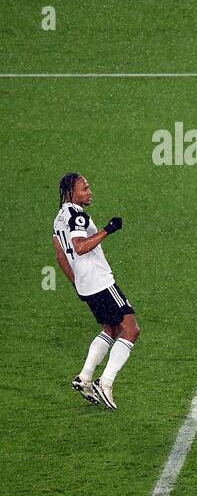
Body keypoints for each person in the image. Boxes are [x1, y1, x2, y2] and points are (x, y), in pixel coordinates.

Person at [52, 173, 137, 410]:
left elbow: (61, 256)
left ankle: (85, 377)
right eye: (84, 188)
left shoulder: (59, 219)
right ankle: (106, 382)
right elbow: (79, 247)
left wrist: (77, 283)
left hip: (86, 284)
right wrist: (108, 229)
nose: (89, 191)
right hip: (100, 281)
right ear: (71, 193)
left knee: (110, 329)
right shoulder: (76, 216)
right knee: (131, 330)